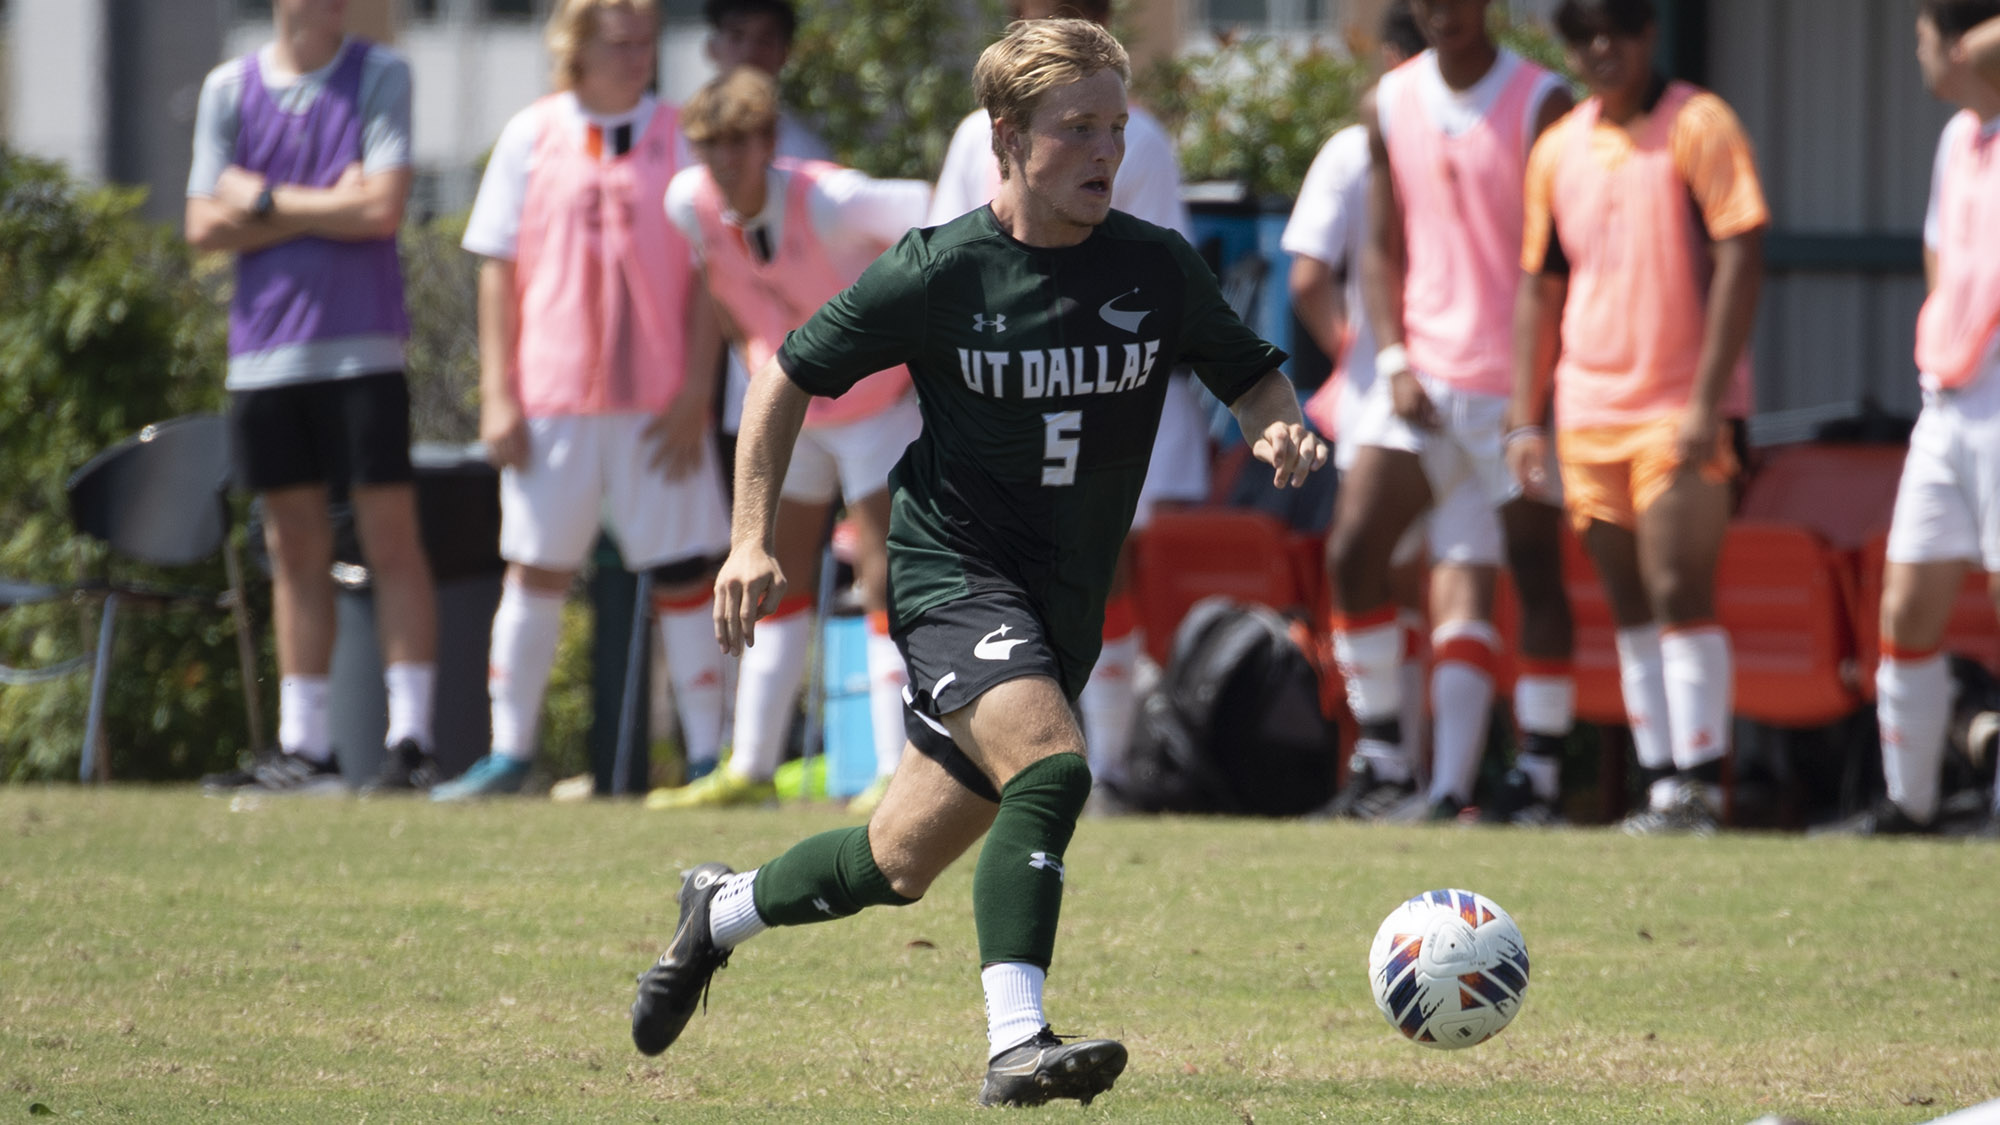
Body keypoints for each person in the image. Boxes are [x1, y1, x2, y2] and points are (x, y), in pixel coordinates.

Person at [629, 19, 1328, 1106]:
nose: (1106, 151)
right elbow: (784, 375)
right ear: (1005, 135)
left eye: (1115, 127)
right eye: (1077, 128)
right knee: (1051, 765)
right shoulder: (940, 268)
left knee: (895, 861)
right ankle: (1016, 1043)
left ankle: (716, 912)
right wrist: (751, 536)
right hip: (951, 572)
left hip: (1061, 604)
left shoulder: (1154, 267)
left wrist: (1277, 421)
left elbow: (1251, 376)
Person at [428, 0, 731, 801]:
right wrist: (499, 394)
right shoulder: (531, 135)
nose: (638, 57)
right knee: (536, 567)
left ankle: (709, 757)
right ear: (576, 47)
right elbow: (497, 268)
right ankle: (510, 754)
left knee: (683, 570)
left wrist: (696, 388)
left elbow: (711, 268)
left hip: (660, 400)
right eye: (620, 43)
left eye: (645, 42)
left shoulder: (679, 135)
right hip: (551, 397)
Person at [929, 0, 1207, 805]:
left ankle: (1109, 769)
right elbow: (945, 261)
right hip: (997, 400)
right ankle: (998, 766)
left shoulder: (1139, 139)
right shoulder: (973, 135)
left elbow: (1157, 277)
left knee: (1101, 571)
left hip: (1104, 394)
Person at [1508, 0, 1767, 835]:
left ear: (1649, 33)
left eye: (1617, 28)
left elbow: (1742, 256)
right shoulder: (1557, 147)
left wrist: (1708, 400)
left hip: (1679, 410)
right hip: (1588, 410)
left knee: (1678, 585)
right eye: (1582, 35)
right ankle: (1662, 786)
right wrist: (1524, 419)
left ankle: (1698, 784)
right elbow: (1541, 288)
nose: (1601, 47)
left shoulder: (1700, 123)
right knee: (1627, 603)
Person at [644, 67, 931, 810]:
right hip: (791, 406)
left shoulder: (833, 199)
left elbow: (945, 217)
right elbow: (722, 287)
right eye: (710, 144)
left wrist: (917, 340)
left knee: (884, 577)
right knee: (775, 572)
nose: (724, 160)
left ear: (769, 141)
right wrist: (755, 357)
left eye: (739, 142)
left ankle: (894, 769)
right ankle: (750, 768)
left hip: (877, 406)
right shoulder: (687, 202)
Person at [1325, 0, 1578, 824]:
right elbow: (1380, 245)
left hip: (1514, 391)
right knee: (1353, 549)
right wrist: (1395, 360)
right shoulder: (1389, 100)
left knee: (1532, 572)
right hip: (1422, 384)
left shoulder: (1543, 99)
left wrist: (1535, 393)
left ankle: (1537, 777)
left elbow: (1562, 259)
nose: (1443, 11)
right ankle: (1385, 760)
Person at [188, 0, 439, 795]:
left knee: (390, 539)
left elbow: (382, 208)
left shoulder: (381, 73)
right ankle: (306, 749)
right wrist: (328, 204)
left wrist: (260, 198)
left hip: (364, 350)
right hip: (263, 359)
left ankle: (412, 742)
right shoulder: (229, 88)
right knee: (293, 549)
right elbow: (202, 225)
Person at [1831, 0, 2000, 836]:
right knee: (1905, 605)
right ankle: (1912, 801)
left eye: (1926, 40)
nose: (1920, 56)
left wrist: (1971, 35)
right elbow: (1941, 248)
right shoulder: (1956, 137)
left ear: (1963, 43)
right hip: (1948, 397)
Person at [1283, 0, 1435, 818]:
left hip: (1387, 400)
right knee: (1450, 589)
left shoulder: (1353, 145)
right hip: (1483, 389)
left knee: (1369, 574)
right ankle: (1446, 775)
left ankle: (1387, 764)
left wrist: (1355, 356)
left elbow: (1307, 276)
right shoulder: (1505, 121)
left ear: (1387, 60)